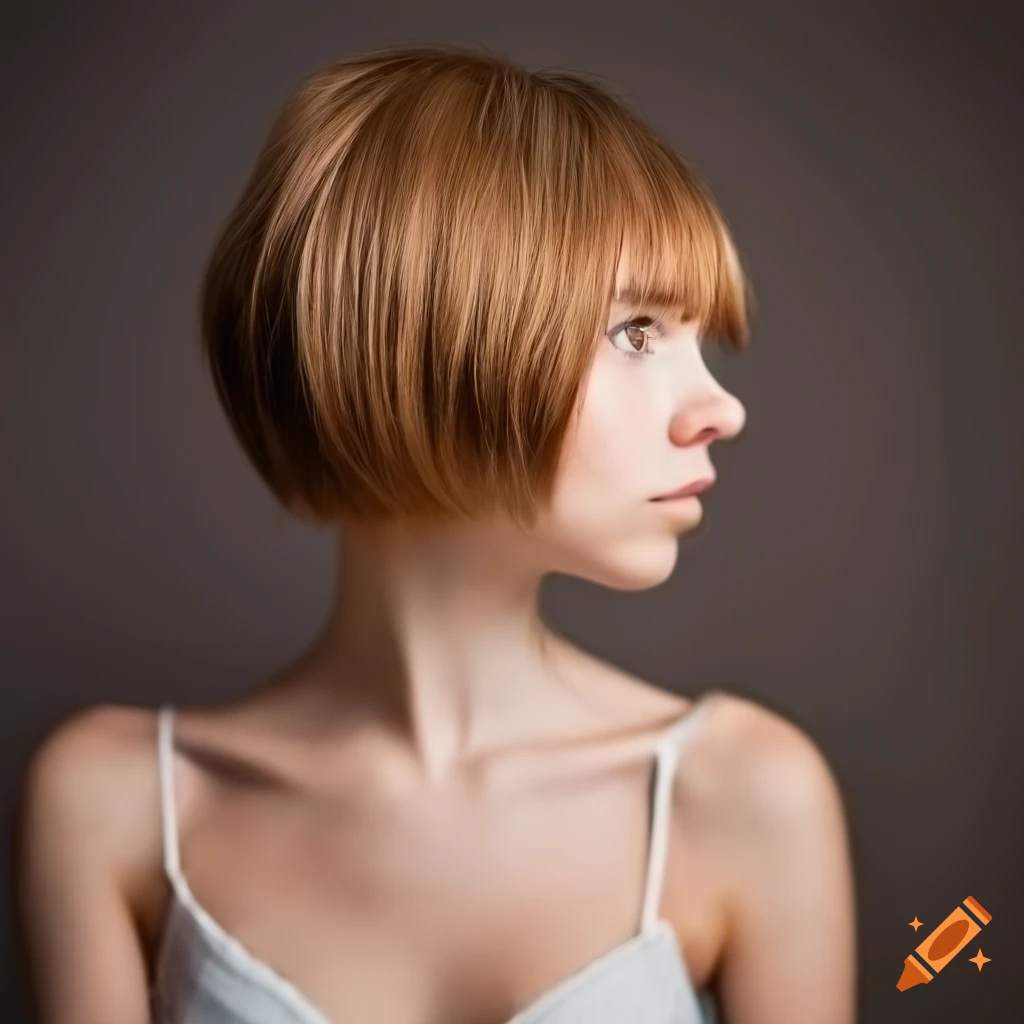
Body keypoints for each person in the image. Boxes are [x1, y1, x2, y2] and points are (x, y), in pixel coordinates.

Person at [14, 43, 856, 1024]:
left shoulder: (744, 795)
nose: (720, 409)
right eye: (636, 333)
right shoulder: (114, 806)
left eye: (696, 339)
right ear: (427, 334)